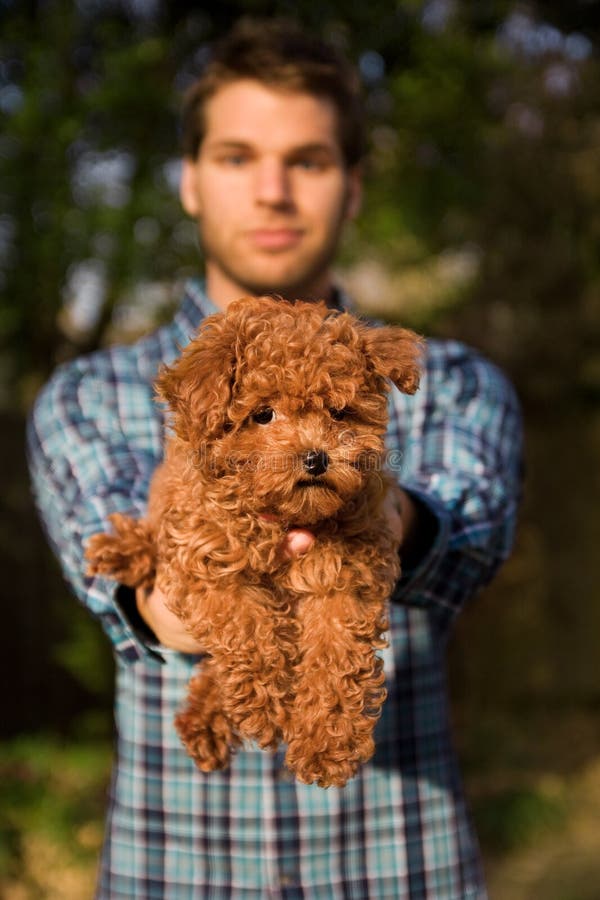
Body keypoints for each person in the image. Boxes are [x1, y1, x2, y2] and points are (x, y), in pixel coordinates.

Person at [27, 18, 522, 900]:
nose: (272, 192)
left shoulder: (453, 382)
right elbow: (137, 605)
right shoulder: (85, 398)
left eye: (309, 160)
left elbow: (467, 545)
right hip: (174, 871)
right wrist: (201, 581)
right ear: (187, 181)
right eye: (236, 156)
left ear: (355, 185)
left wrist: (370, 513)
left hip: (401, 868)